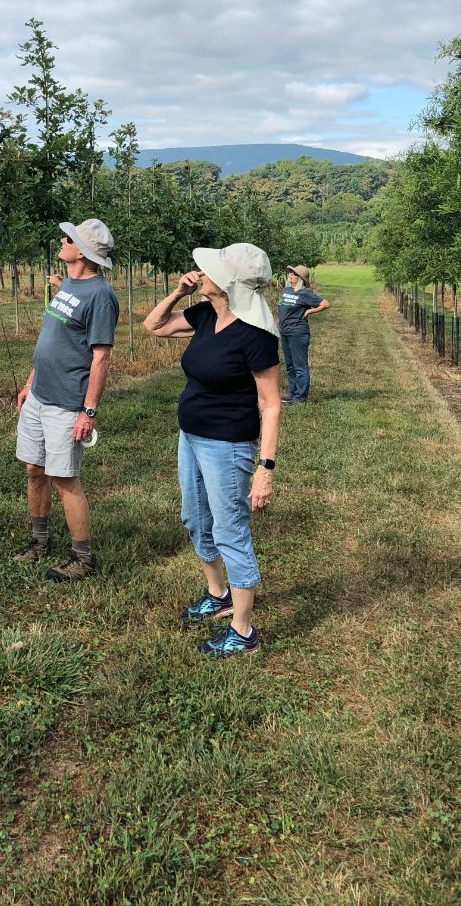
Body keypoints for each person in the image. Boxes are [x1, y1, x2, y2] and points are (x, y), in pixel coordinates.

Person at [143, 243, 280, 658]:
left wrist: (265, 468)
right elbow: (154, 326)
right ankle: (218, 593)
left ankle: (243, 631)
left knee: (230, 531)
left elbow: (270, 403)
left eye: (209, 271)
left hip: (228, 445)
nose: (201, 273)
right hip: (191, 436)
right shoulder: (204, 314)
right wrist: (177, 293)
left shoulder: (255, 335)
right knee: (195, 518)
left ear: (229, 283)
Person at [14, 219, 119, 581]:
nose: (62, 239)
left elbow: (101, 358)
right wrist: (31, 382)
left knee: (64, 479)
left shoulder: (101, 296)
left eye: (69, 239)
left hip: (66, 402)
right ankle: (39, 540)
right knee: (34, 469)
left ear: (83, 253)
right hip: (39, 395)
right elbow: (53, 337)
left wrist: (88, 411)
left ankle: (82, 557)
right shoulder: (70, 284)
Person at [278, 264, 330, 404]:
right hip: (285, 332)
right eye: (290, 272)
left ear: (300, 278)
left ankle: (300, 397)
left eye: (294, 274)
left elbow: (325, 304)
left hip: (298, 333)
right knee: (290, 365)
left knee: (299, 366)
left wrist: (309, 311)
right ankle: (291, 393)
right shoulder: (286, 290)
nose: (290, 275)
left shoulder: (305, 293)